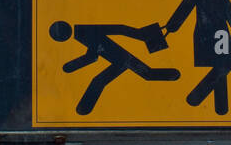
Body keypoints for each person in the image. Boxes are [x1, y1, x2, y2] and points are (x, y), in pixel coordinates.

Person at [163, 0, 231, 115]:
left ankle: (220, 108)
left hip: (207, 32)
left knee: (223, 63)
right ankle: (200, 95)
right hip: (217, 32)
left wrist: (172, 27)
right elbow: (229, 12)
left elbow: (184, 10)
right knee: (226, 62)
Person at [49, 20, 178, 115]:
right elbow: (119, 29)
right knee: (100, 81)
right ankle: (83, 109)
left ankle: (84, 109)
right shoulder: (82, 31)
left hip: (121, 58)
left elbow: (92, 56)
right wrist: (141, 34)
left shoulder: (84, 31)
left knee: (100, 81)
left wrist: (142, 35)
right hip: (119, 59)